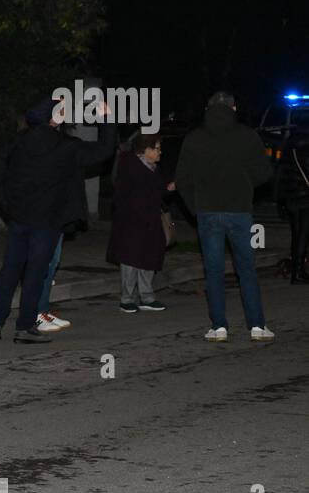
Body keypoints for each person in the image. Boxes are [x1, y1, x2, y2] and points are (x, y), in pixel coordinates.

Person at [0, 98, 114, 343]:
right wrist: (106, 120)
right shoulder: (66, 146)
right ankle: (24, 327)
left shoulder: (15, 142)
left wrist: (8, 210)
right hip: (48, 221)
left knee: (10, 270)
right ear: (53, 119)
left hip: (19, 219)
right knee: (35, 272)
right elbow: (105, 149)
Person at [175, 91, 274, 341]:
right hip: (239, 210)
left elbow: (182, 179)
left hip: (208, 211)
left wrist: (194, 207)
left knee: (214, 270)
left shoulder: (194, 138)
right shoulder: (248, 136)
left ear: (207, 109)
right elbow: (264, 173)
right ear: (234, 108)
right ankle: (257, 326)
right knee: (246, 269)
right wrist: (244, 184)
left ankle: (219, 326)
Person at [107, 131, 173, 313]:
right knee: (131, 259)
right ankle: (127, 298)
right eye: (157, 149)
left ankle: (147, 296)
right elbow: (124, 195)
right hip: (131, 221)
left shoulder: (152, 167)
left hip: (150, 221)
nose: (160, 153)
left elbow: (156, 191)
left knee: (149, 257)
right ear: (145, 151)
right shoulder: (130, 167)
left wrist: (168, 188)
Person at [274, 127, 309, 283]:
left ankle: (297, 270)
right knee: (303, 235)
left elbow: (279, 173)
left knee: (296, 234)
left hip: (290, 197)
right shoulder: (306, 146)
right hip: (304, 197)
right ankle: (298, 272)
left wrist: (280, 199)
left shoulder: (288, 145)